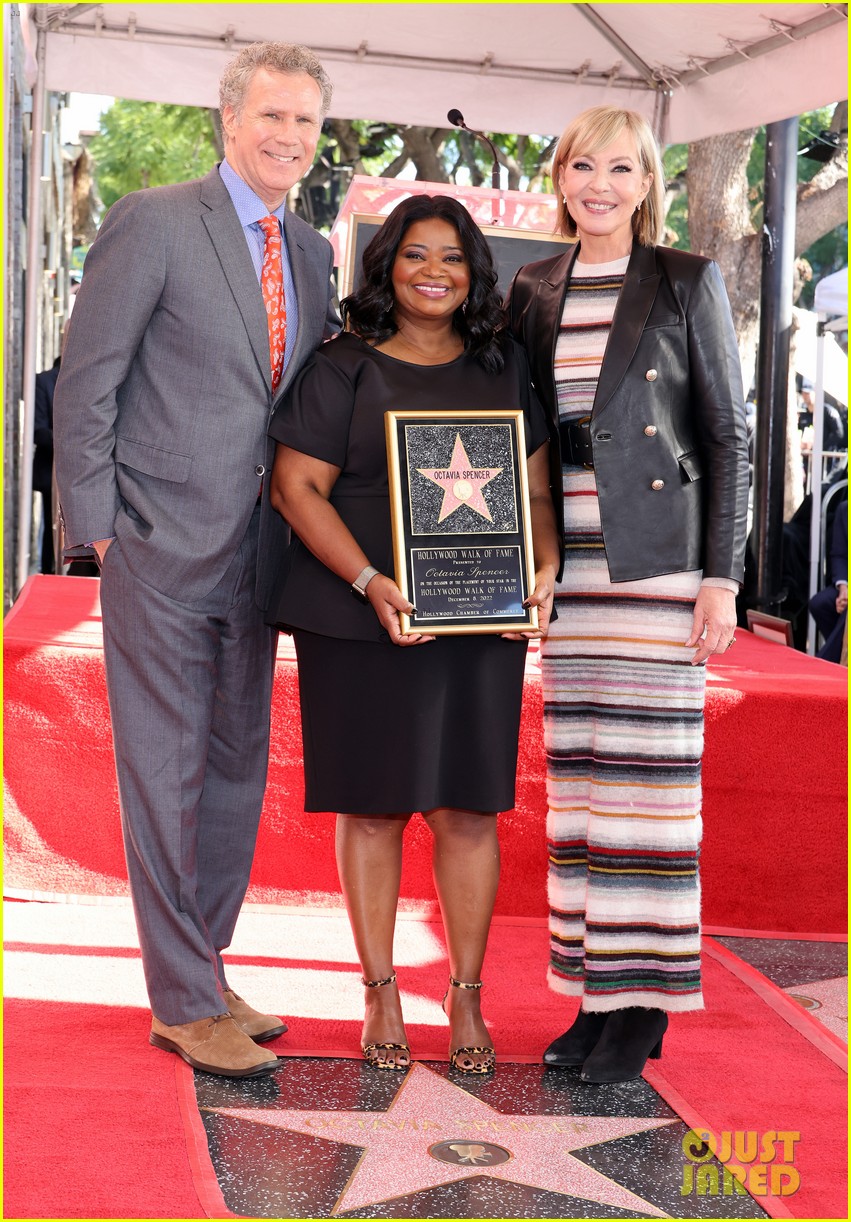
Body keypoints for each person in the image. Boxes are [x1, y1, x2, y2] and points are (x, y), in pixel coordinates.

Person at [53, 42, 339, 1078]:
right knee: (164, 773)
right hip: (158, 544)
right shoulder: (156, 220)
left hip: (263, 553)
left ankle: (204, 970)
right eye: (272, 116)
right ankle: (180, 998)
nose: (288, 138)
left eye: (305, 122)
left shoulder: (310, 251)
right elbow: (87, 382)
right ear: (228, 115)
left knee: (230, 769)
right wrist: (102, 529)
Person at [267, 195, 560, 1074]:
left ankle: (464, 996)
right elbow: (294, 489)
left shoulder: (502, 365)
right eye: (413, 255)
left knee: (468, 808)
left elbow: (537, 493)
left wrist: (541, 568)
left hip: (476, 619)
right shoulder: (341, 365)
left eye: (453, 258)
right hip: (361, 617)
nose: (434, 272)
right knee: (373, 808)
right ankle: (380, 988)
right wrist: (368, 582)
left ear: (476, 271)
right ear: (385, 265)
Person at [508, 105, 749, 1083]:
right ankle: (595, 1000)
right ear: (559, 178)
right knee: (582, 803)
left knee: (647, 806)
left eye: (617, 168)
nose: (596, 184)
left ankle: (643, 1006)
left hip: (656, 575)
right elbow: (516, 431)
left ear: (645, 182)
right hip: (569, 579)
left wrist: (722, 579)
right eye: (580, 166)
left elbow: (727, 433)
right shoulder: (531, 285)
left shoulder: (684, 280)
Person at [809, 498, 848, 663]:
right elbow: (839, 554)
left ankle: (824, 662)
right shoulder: (845, 508)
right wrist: (843, 587)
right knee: (820, 603)